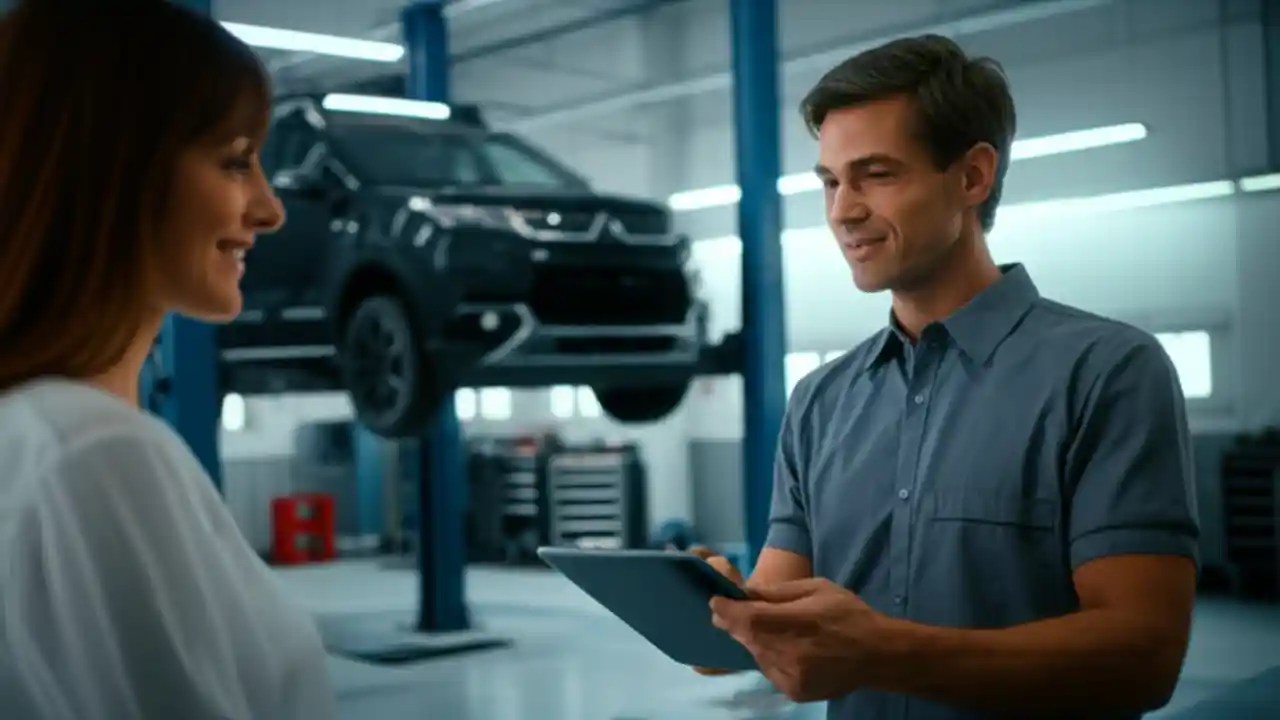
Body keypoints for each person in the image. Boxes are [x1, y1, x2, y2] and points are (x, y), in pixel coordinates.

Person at [694, 34, 1199, 720]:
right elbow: (776, 625)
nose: (843, 210)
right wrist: (719, 614)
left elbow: (1143, 658)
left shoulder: (1105, 372)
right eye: (831, 181)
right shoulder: (820, 402)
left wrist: (883, 651)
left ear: (971, 177)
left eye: (876, 174)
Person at [0, 2, 337, 718]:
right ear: (115, 170)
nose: (270, 209)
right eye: (236, 163)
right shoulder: (91, 450)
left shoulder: (30, 434)